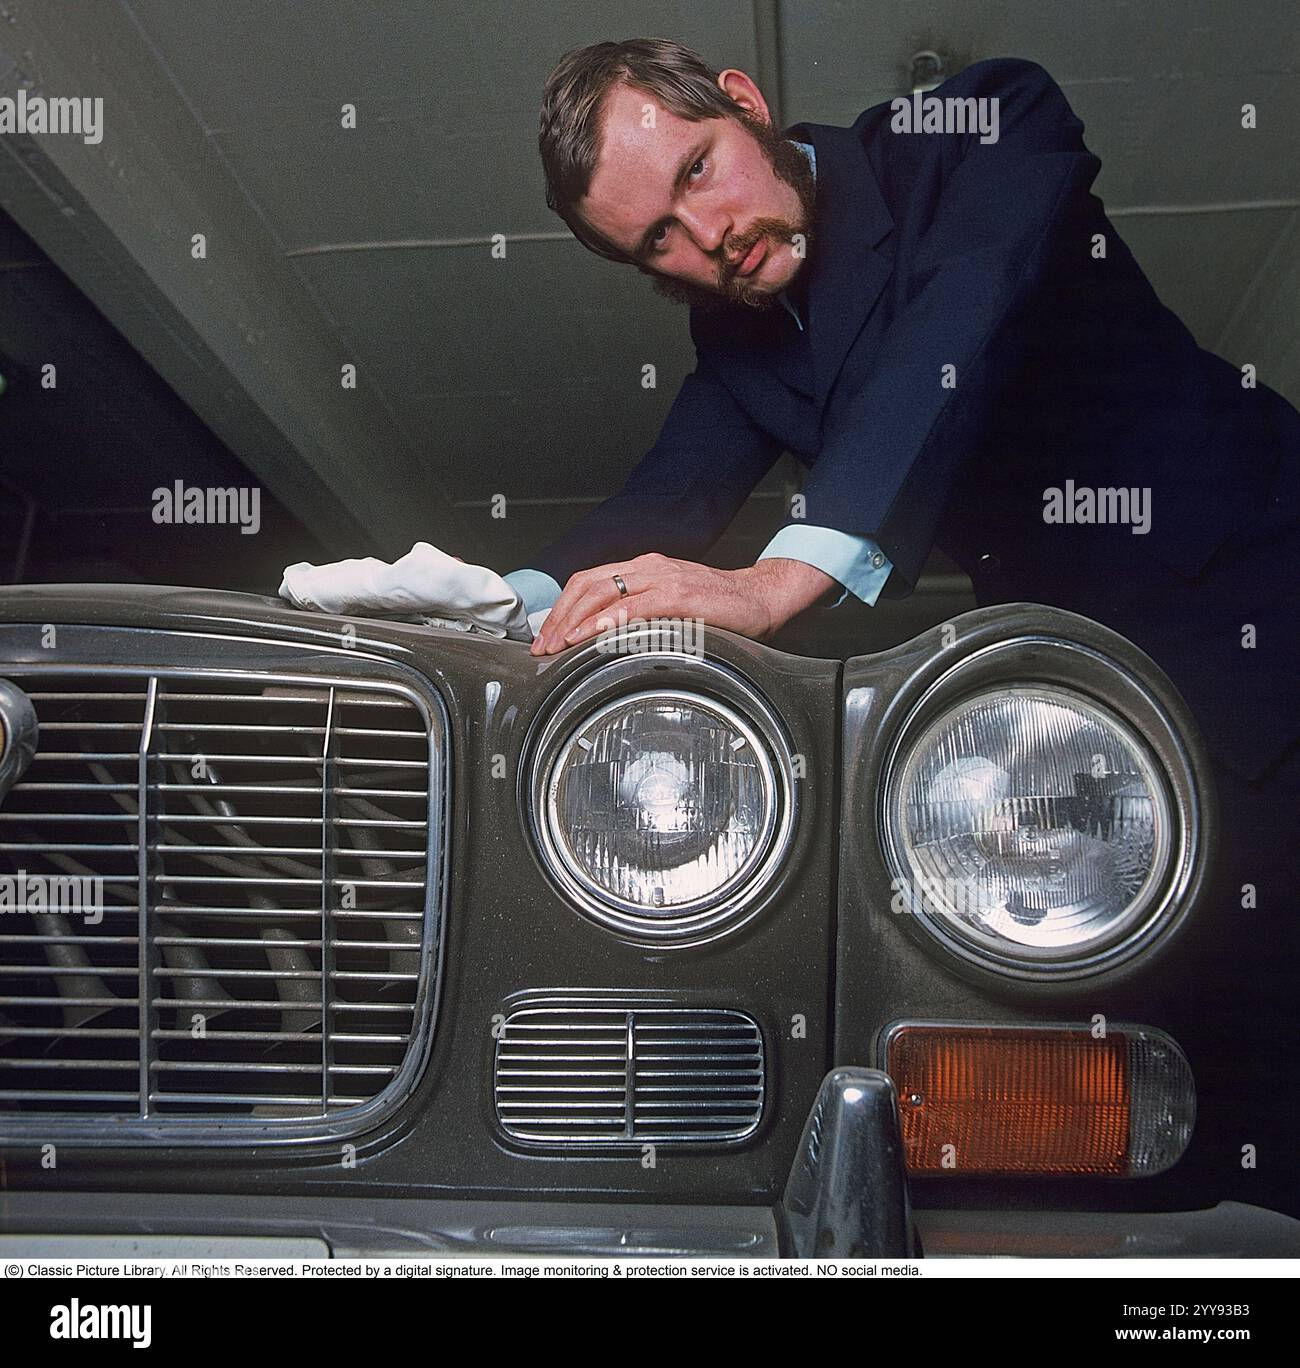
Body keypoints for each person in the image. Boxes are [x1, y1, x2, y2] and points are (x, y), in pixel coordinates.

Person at [506, 38, 1300, 1208]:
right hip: (1101, 706)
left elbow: (953, 326)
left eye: (695, 174)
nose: (703, 242)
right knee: (1196, 1033)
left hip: (1263, 586)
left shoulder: (976, 129)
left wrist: (781, 579)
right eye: (654, 245)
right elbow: (663, 497)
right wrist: (484, 604)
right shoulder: (738, 346)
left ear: (743, 99)